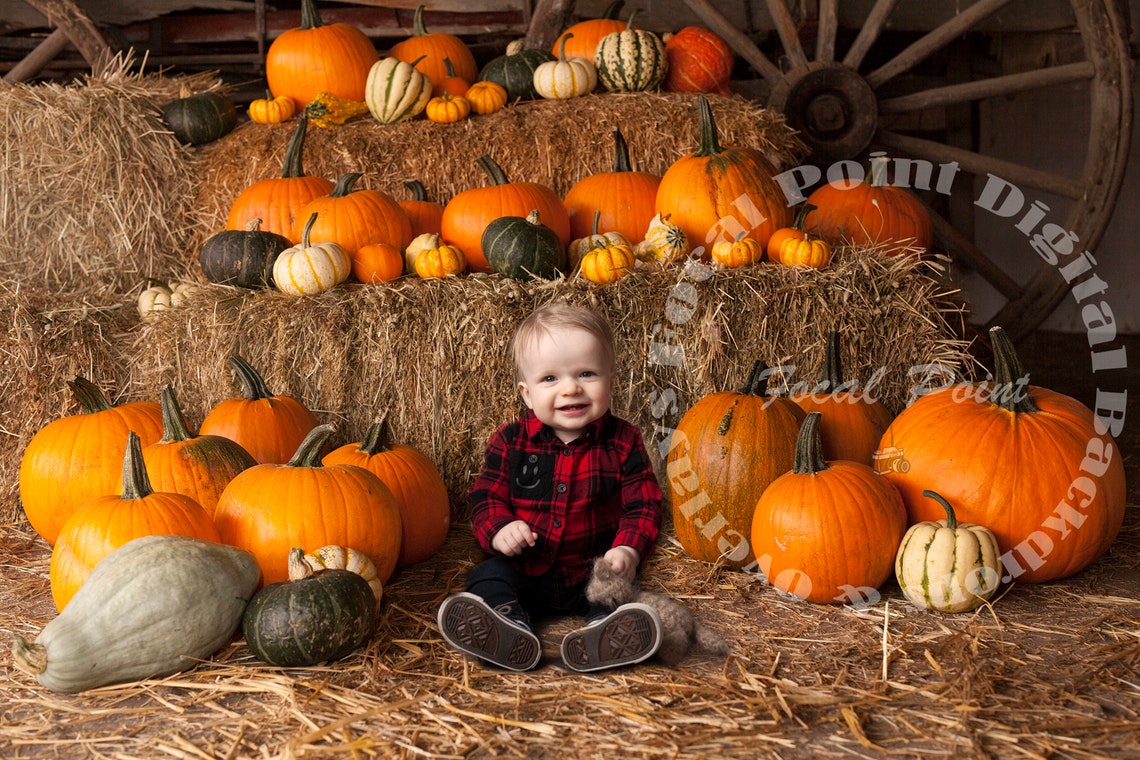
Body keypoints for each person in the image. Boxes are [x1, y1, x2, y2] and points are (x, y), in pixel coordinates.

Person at [438, 302, 665, 672]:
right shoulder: (511, 441)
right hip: (526, 568)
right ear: (527, 394)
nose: (571, 388)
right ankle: (507, 625)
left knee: (616, 589)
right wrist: (499, 530)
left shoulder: (623, 441)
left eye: (587, 373)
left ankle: (600, 632)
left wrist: (628, 549)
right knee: (487, 577)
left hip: (592, 567)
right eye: (550, 379)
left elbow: (643, 504)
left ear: (611, 379)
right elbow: (485, 495)